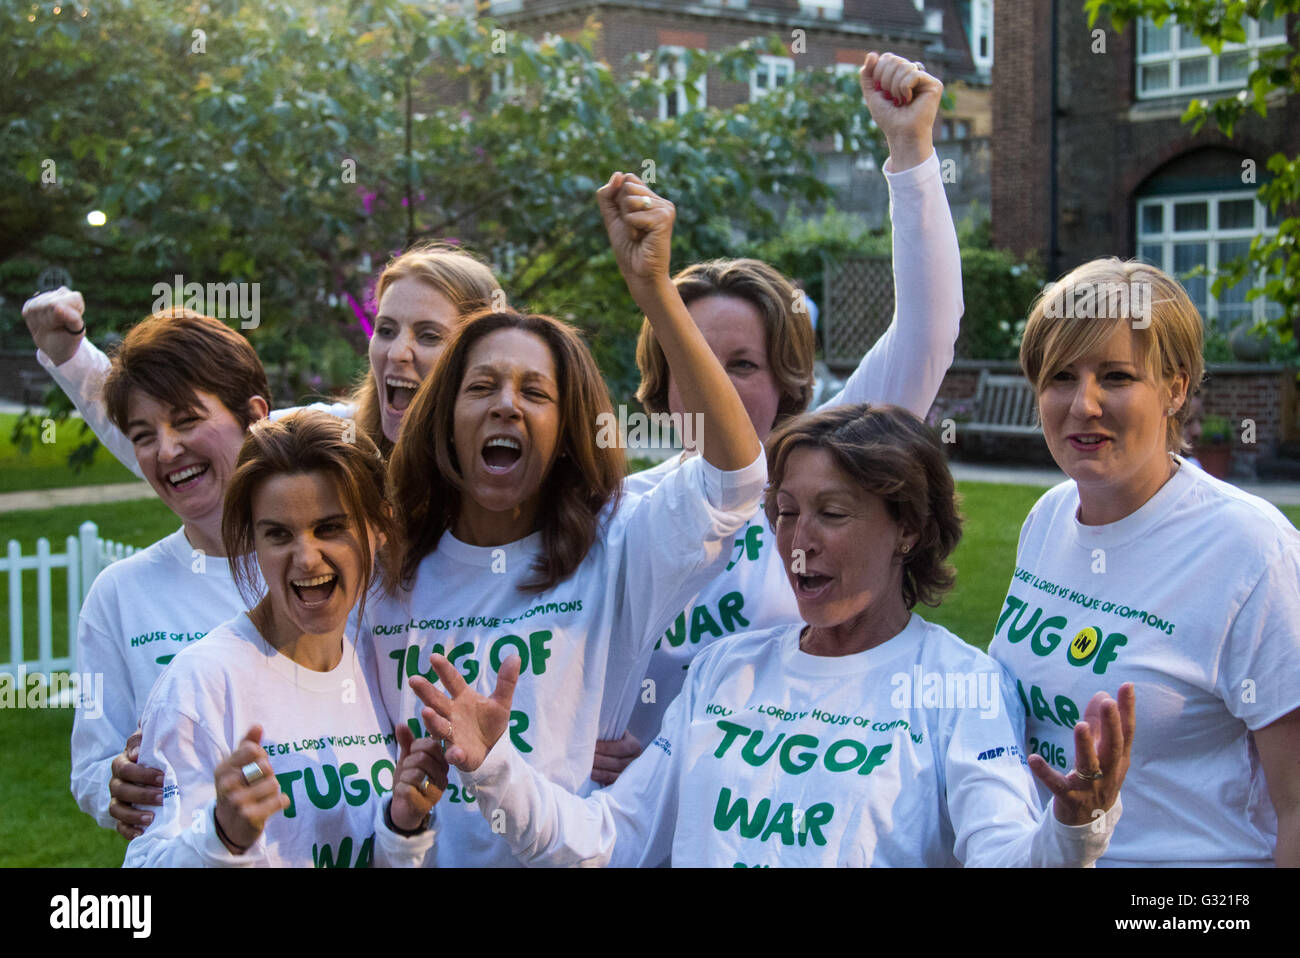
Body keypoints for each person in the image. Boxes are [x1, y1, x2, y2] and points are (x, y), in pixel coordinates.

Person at [413, 404, 1134, 867]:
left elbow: (1002, 856)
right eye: (786, 512)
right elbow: (614, 838)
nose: (799, 542)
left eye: (833, 513)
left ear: (907, 529)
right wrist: (496, 767)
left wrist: (1075, 830)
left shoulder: (960, 683)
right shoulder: (727, 668)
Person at [368, 168, 767, 867]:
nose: (506, 406)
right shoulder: (384, 568)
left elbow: (734, 477)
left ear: (567, 429)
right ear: (444, 417)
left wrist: (654, 290)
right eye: (482, 386)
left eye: (535, 392)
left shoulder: (617, 549)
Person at [605, 50, 964, 776]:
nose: (716, 390)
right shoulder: (618, 513)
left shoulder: (832, 468)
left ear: (789, 379)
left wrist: (910, 152)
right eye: (693, 364)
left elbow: (929, 330)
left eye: (740, 366)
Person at [987, 258, 1300, 866]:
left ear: (1176, 388)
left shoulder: (1251, 551)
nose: (1085, 404)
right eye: (1060, 378)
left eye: (1117, 376)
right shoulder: (1049, 519)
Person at [124, 411, 445, 867]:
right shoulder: (203, 683)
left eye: (330, 527)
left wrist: (402, 826)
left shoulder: (380, 664)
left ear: (379, 528)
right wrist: (221, 837)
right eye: (278, 534)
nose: (307, 558)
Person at [66, 309, 272, 840]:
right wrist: (114, 785)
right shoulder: (119, 594)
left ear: (254, 416)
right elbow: (92, 764)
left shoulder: (324, 572)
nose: (166, 450)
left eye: (185, 420)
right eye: (142, 434)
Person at [20, 243, 501, 461]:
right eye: (387, 329)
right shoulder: (338, 438)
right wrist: (70, 356)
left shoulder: (512, 464)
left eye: (430, 336)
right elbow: (195, 450)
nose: (398, 352)